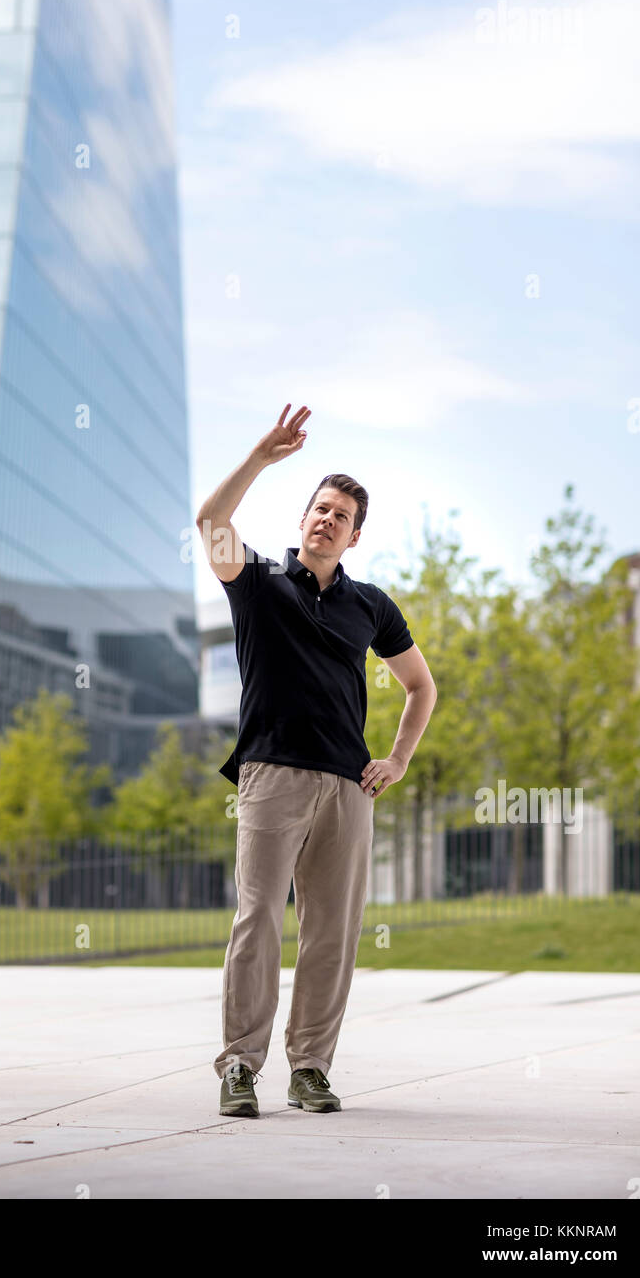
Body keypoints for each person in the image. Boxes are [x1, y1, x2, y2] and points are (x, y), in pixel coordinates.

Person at [195, 403, 437, 1117]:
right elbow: (210, 523)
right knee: (258, 918)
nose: (327, 520)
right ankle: (239, 1066)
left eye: (341, 516)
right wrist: (260, 458)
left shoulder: (371, 605)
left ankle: (311, 1070)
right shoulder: (259, 585)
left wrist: (395, 758)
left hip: (348, 786)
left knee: (333, 931)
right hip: (271, 774)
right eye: (319, 509)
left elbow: (422, 686)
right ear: (303, 519)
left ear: (355, 535)